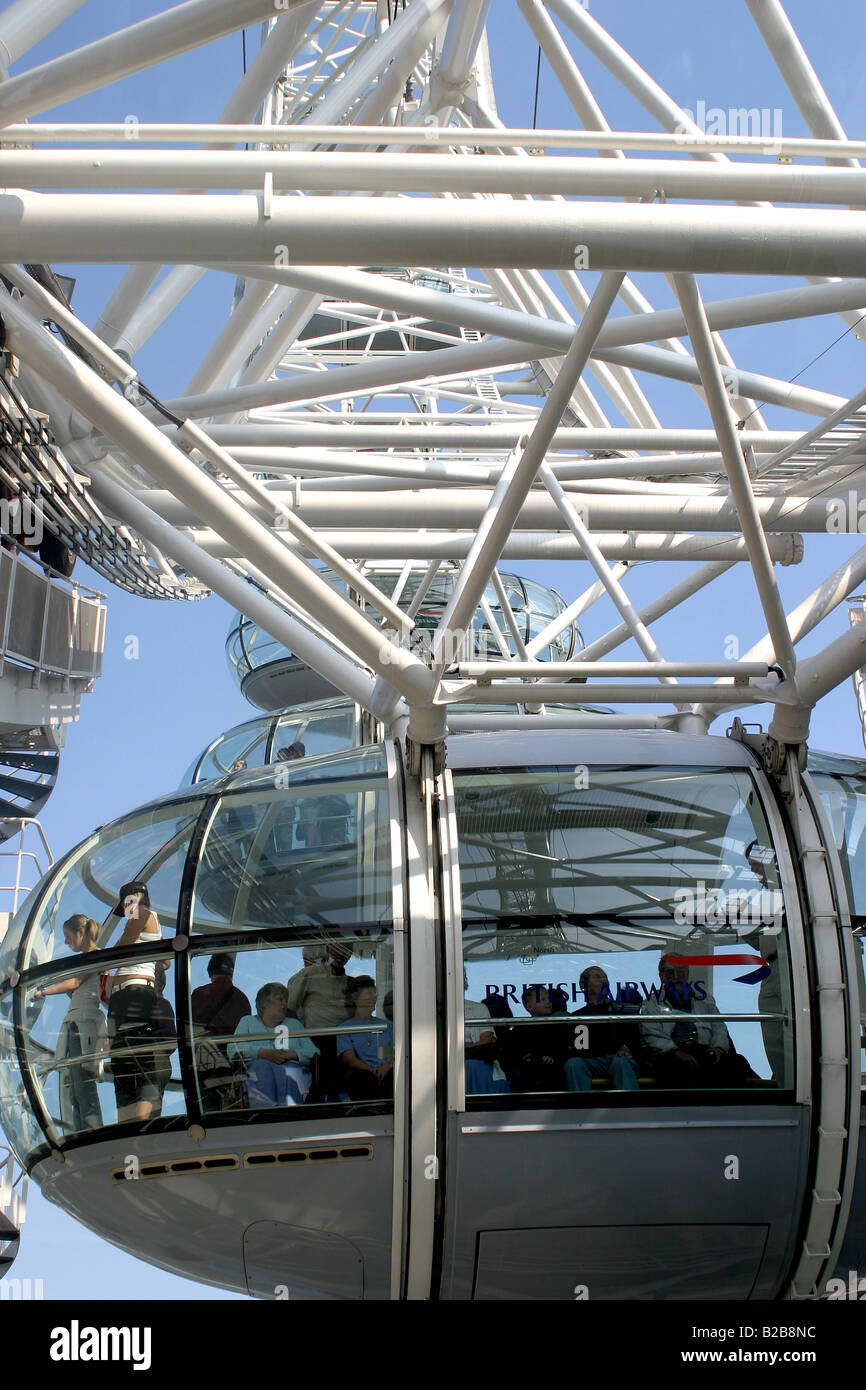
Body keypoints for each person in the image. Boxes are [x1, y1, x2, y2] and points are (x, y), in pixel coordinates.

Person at [32, 915, 106, 1134]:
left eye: (67, 937)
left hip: (83, 1022)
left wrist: (43, 990)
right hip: (78, 1020)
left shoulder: (94, 955)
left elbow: (74, 983)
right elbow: (76, 987)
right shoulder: (91, 958)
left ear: (80, 933)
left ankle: (91, 1132)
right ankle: (83, 1132)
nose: (66, 942)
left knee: (82, 1083)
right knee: (76, 1086)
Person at [640, 955, 752, 1087]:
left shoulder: (704, 999)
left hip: (703, 1051)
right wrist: (677, 1052)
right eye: (670, 972)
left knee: (737, 1063)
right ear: (661, 976)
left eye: (680, 972)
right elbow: (652, 1034)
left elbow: (719, 1028)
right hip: (671, 1053)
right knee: (674, 1068)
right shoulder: (651, 1002)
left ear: (687, 974)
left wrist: (717, 1048)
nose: (676, 977)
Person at [106, 880, 167, 1124]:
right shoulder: (144, 919)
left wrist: (104, 960)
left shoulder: (143, 914)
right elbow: (165, 962)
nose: (127, 908)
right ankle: (129, 1126)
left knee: (134, 1058)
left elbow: (127, 942)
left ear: (137, 898)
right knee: (123, 1061)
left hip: (134, 991)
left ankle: (138, 1125)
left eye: (128, 902)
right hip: (126, 993)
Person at [227, 983, 318, 1107]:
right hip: (259, 1075)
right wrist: (262, 1053)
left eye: (286, 1000)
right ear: (265, 1003)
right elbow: (233, 1048)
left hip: (293, 1073)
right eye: (280, 999)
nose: (285, 1004)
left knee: (288, 1071)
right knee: (262, 1065)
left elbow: (314, 1052)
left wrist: (289, 1055)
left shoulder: (294, 1024)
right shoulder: (247, 1021)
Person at [286, 941, 352, 1100]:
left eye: (347, 951)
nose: (341, 955)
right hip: (318, 1038)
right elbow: (290, 1008)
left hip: (347, 1038)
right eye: (338, 949)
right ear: (328, 949)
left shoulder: (351, 982)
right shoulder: (309, 974)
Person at [565, 966, 640, 1092]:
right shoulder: (577, 1016)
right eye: (598, 977)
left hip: (617, 1059)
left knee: (621, 1061)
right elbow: (575, 1047)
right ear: (585, 986)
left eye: (605, 977)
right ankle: (583, 1108)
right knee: (574, 1064)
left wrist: (626, 1047)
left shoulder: (620, 1009)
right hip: (591, 1062)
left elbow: (634, 1034)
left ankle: (630, 1106)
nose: (604, 980)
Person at [336, 976, 393, 1100]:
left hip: (387, 1072)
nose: (373, 997)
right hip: (362, 1074)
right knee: (363, 1081)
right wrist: (371, 1070)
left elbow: (395, 1052)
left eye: (374, 993)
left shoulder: (387, 1025)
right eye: (368, 993)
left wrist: (386, 1067)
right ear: (355, 998)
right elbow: (349, 1059)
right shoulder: (345, 1028)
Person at [508, 984, 572, 1092]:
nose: (548, 1002)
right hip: (529, 1070)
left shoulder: (557, 1026)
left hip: (553, 1069)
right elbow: (514, 1051)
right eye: (542, 999)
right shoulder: (520, 1028)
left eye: (548, 999)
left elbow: (564, 1048)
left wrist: (553, 1058)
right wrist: (524, 1058)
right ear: (529, 1007)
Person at [464, 970, 510, 1094]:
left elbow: (486, 1039)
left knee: (471, 1066)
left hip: (474, 1055)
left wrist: (461, 1053)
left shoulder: (478, 1008)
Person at [151, 962, 176, 1117]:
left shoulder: (159, 1005)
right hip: (159, 1062)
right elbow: (171, 1040)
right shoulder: (164, 1005)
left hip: (154, 1061)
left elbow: (170, 1040)